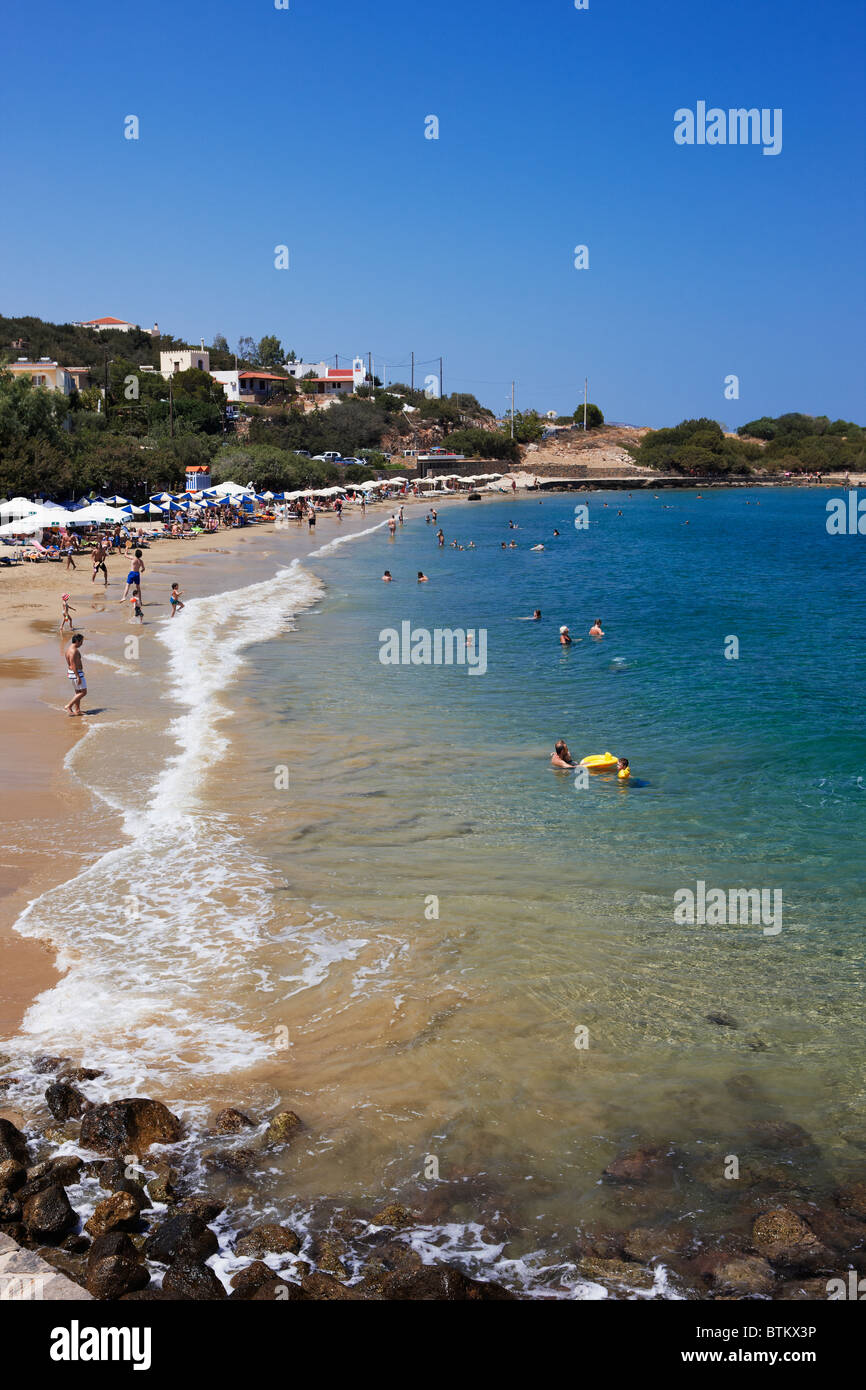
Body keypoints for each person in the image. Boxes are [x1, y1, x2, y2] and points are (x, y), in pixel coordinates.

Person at [63, 634, 87, 717]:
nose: (82, 644)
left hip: (72, 673)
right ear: (77, 641)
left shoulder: (68, 649)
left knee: (78, 692)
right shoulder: (74, 651)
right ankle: (69, 705)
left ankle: (77, 710)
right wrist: (78, 676)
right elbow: (73, 665)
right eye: (81, 642)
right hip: (76, 673)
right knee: (84, 692)